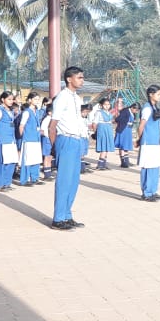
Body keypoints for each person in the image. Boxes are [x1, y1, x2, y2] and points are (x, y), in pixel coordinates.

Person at [49, 67, 87, 230]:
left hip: (77, 140)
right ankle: (58, 218)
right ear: (69, 79)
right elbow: (52, 126)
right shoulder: (62, 97)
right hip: (65, 139)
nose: (82, 80)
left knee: (73, 181)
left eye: (82, 77)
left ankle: (67, 214)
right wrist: (55, 146)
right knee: (64, 180)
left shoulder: (77, 99)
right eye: (79, 77)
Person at [137, 85, 160, 202]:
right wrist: (140, 140)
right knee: (148, 167)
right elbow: (141, 126)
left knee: (155, 166)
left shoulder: (155, 107)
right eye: (158, 94)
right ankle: (146, 193)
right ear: (151, 94)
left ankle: (153, 191)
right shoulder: (147, 108)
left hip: (155, 142)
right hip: (148, 142)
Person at [0, 92, 17, 192]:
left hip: (11, 140)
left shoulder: (10, 111)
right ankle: (0, 185)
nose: (11, 101)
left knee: (11, 161)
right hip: (2, 140)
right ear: (2, 99)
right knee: (2, 162)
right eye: (9, 99)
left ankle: (7, 183)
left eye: (12, 99)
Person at [17, 92, 43, 186]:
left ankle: (34, 178)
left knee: (36, 159)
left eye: (38, 99)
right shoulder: (27, 112)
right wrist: (23, 137)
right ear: (29, 100)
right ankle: (24, 179)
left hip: (36, 139)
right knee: (27, 160)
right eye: (35, 99)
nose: (37, 101)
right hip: (28, 139)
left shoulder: (36, 112)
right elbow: (21, 126)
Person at [93, 98, 115, 170]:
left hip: (108, 130)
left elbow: (111, 122)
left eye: (108, 104)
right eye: (105, 104)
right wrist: (95, 132)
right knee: (103, 147)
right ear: (101, 105)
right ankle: (100, 165)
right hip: (102, 130)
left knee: (107, 147)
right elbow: (95, 123)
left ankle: (103, 164)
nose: (107, 106)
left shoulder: (109, 113)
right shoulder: (99, 112)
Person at [114, 99, 134, 168]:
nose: (120, 105)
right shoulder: (125, 111)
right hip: (123, 130)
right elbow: (117, 119)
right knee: (122, 146)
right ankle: (123, 162)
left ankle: (127, 161)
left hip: (128, 131)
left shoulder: (130, 111)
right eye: (118, 103)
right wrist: (124, 123)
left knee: (126, 146)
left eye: (121, 103)